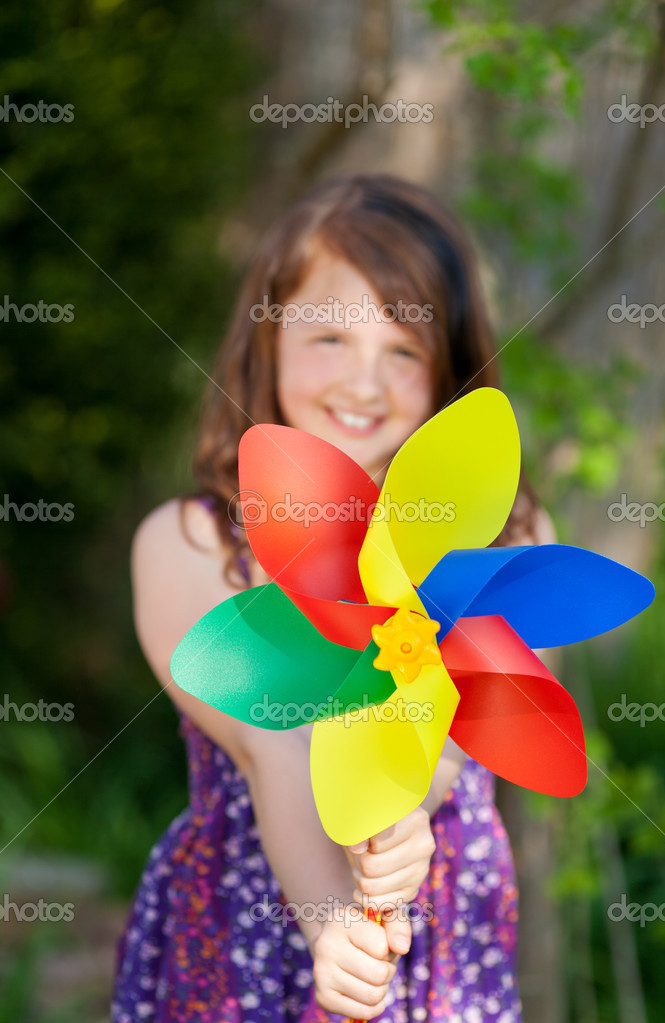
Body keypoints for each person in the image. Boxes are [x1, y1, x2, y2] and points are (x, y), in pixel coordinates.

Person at [112, 173, 554, 1023]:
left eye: (405, 350)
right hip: (248, 921)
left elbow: (462, 723)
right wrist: (332, 926)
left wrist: (402, 823)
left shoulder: (508, 541)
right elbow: (269, 745)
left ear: (450, 373)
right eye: (328, 338)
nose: (365, 382)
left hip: (431, 920)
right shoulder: (193, 545)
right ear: (264, 342)